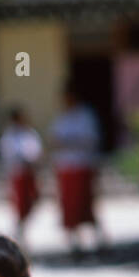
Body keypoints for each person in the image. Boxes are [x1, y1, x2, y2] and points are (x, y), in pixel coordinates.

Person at [50, 83, 105, 260]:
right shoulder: (61, 118)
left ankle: (99, 242)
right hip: (66, 168)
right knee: (69, 207)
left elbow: (91, 139)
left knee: (86, 205)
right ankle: (75, 244)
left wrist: (71, 142)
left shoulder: (86, 116)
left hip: (82, 165)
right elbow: (54, 141)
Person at [0, 108, 42, 247]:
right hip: (18, 174)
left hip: (29, 174)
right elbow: (8, 154)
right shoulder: (9, 136)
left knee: (32, 202)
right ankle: (20, 229)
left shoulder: (29, 134)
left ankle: (22, 227)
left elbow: (36, 152)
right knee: (20, 205)